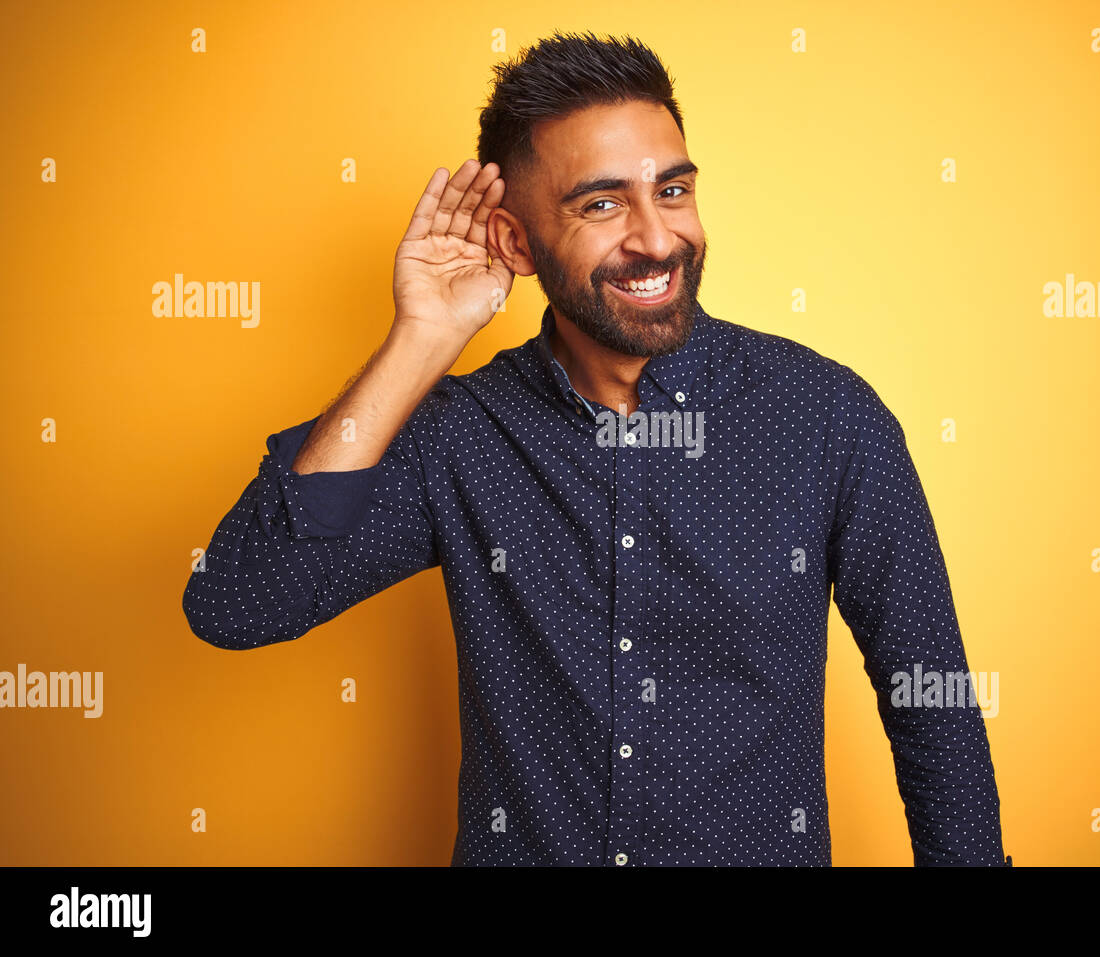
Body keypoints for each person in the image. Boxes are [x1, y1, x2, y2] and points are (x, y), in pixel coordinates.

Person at [182, 30, 1010, 867]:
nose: (657, 239)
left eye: (674, 190)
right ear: (514, 243)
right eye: (602, 204)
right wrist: (419, 342)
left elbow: (931, 706)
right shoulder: (463, 433)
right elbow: (241, 603)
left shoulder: (827, 416)